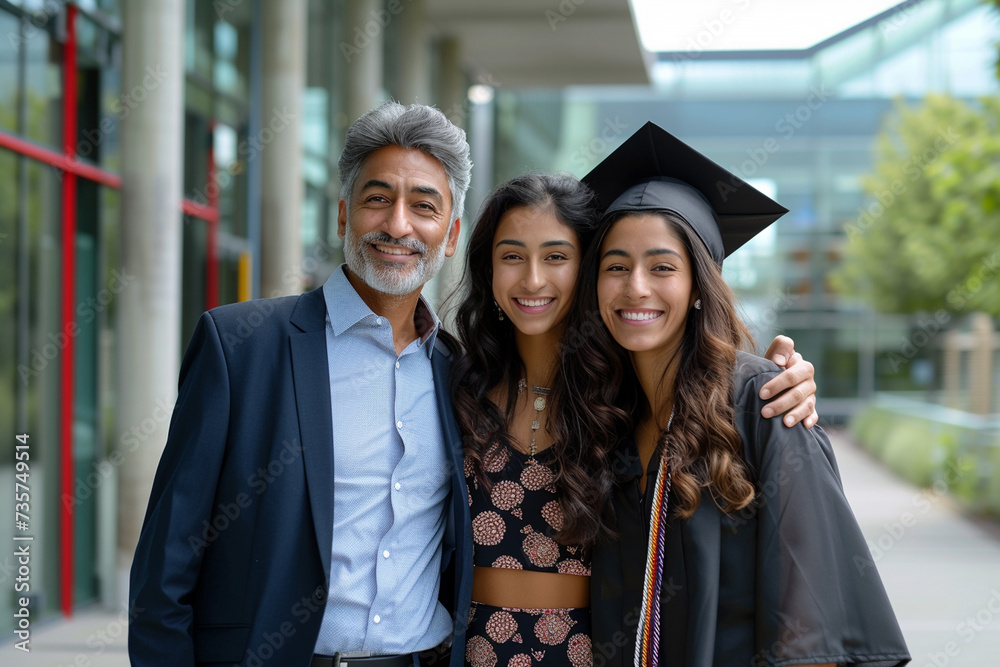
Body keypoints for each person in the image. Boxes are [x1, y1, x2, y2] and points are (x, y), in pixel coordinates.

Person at [129, 101, 474, 667]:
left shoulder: (458, 373)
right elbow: (166, 564)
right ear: (343, 216)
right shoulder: (239, 345)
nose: (397, 225)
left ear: (452, 233)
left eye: (424, 207)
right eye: (378, 198)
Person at [560, 122, 910, 666]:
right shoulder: (610, 414)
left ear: (701, 285)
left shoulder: (765, 404)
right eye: (615, 267)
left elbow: (810, 624)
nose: (636, 288)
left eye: (662, 267)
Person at [448, 172, 820, 667]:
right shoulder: (455, 388)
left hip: (597, 649)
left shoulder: (626, 398)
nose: (533, 278)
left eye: (557, 256)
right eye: (511, 256)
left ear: (586, 271)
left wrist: (782, 382)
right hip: (468, 649)